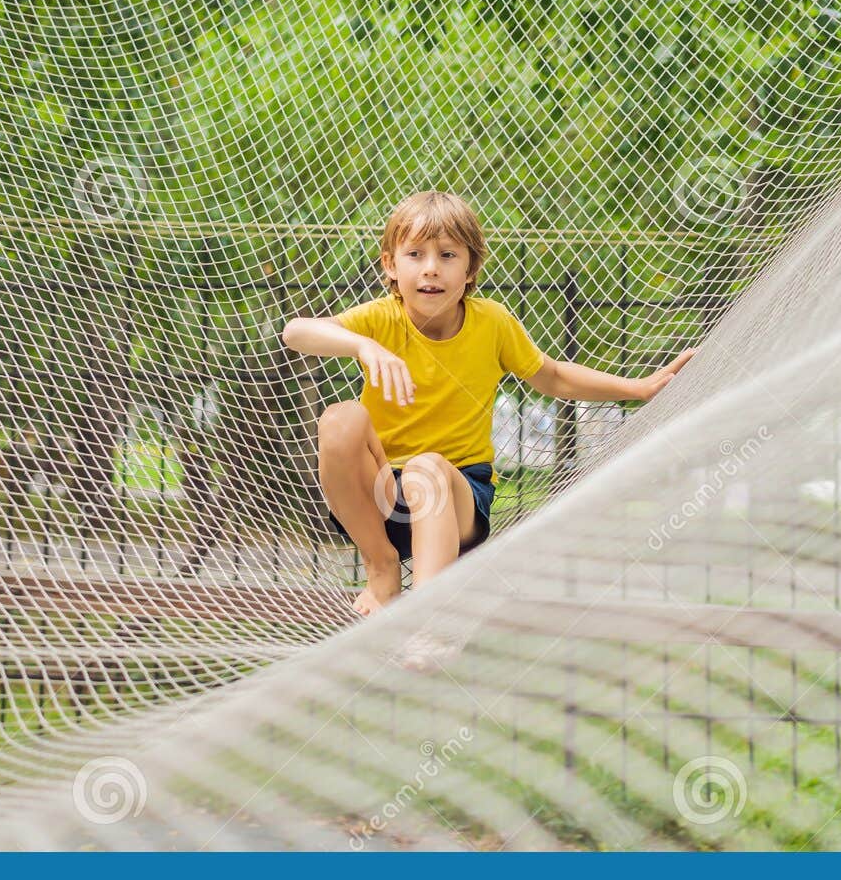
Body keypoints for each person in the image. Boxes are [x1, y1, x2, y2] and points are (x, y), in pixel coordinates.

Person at [281, 190, 697, 616]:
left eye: (447, 255)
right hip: (386, 500)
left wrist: (638, 388)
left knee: (427, 468)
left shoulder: (492, 322)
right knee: (339, 418)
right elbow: (296, 332)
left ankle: (424, 619)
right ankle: (381, 567)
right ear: (390, 264)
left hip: (456, 499)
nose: (430, 269)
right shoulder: (381, 318)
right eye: (415, 254)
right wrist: (363, 347)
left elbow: (551, 376)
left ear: (470, 269)